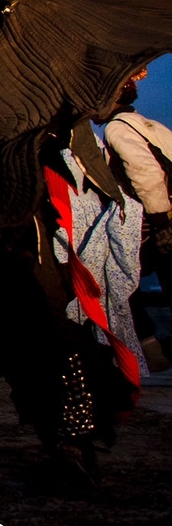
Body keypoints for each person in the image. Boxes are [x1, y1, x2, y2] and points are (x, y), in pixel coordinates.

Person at [97, 77, 172, 372]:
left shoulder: (117, 128)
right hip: (162, 217)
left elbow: (146, 173)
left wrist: (160, 220)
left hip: (155, 222)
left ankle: (150, 348)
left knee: (117, 278)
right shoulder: (151, 125)